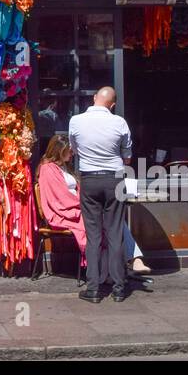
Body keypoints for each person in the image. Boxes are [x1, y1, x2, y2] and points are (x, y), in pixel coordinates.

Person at [36, 134, 150, 275]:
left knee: (113, 219)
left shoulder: (64, 167)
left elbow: (77, 191)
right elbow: (59, 198)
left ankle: (124, 264)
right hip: (65, 213)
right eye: (70, 150)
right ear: (60, 150)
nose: (72, 154)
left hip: (78, 207)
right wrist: (88, 204)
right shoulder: (48, 169)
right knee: (108, 219)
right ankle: (121, 265)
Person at [68, 86, 132, 303]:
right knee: (115, 234)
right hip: (114, 179)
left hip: (89, 179)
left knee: (93, 235)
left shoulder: (76, 121)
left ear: (94, 98)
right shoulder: (120, 122)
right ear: (112, 105)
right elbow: (128, 157)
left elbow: (74, 149)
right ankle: (119, 288)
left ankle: (93, 288)